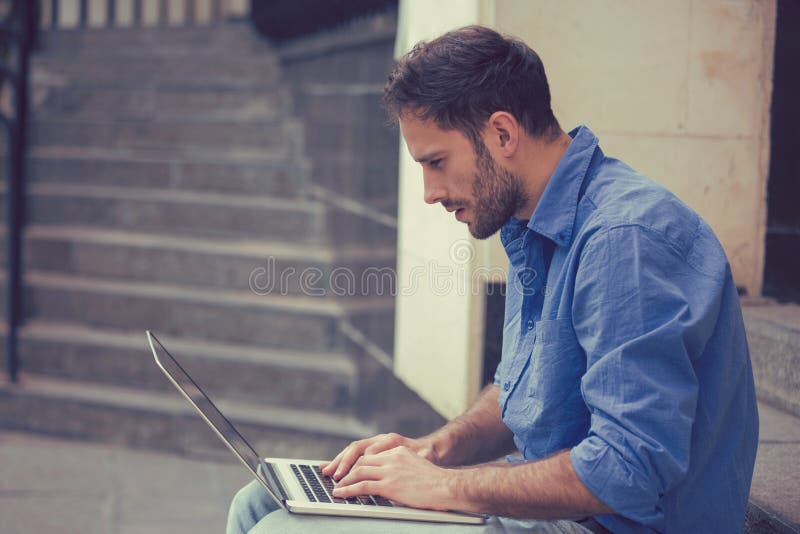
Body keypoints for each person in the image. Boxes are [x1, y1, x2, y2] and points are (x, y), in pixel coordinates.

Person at [227, 25, 759, 534]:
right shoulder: (533, 223)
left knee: (282, 528)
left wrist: (445, 488)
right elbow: (517, 390)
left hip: (604, 526)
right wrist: (433, 451)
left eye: (436, 161)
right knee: (260, 501)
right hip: (555, 514)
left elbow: (629, 468)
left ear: (502, 133)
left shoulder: (626, 238)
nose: (429, 192)